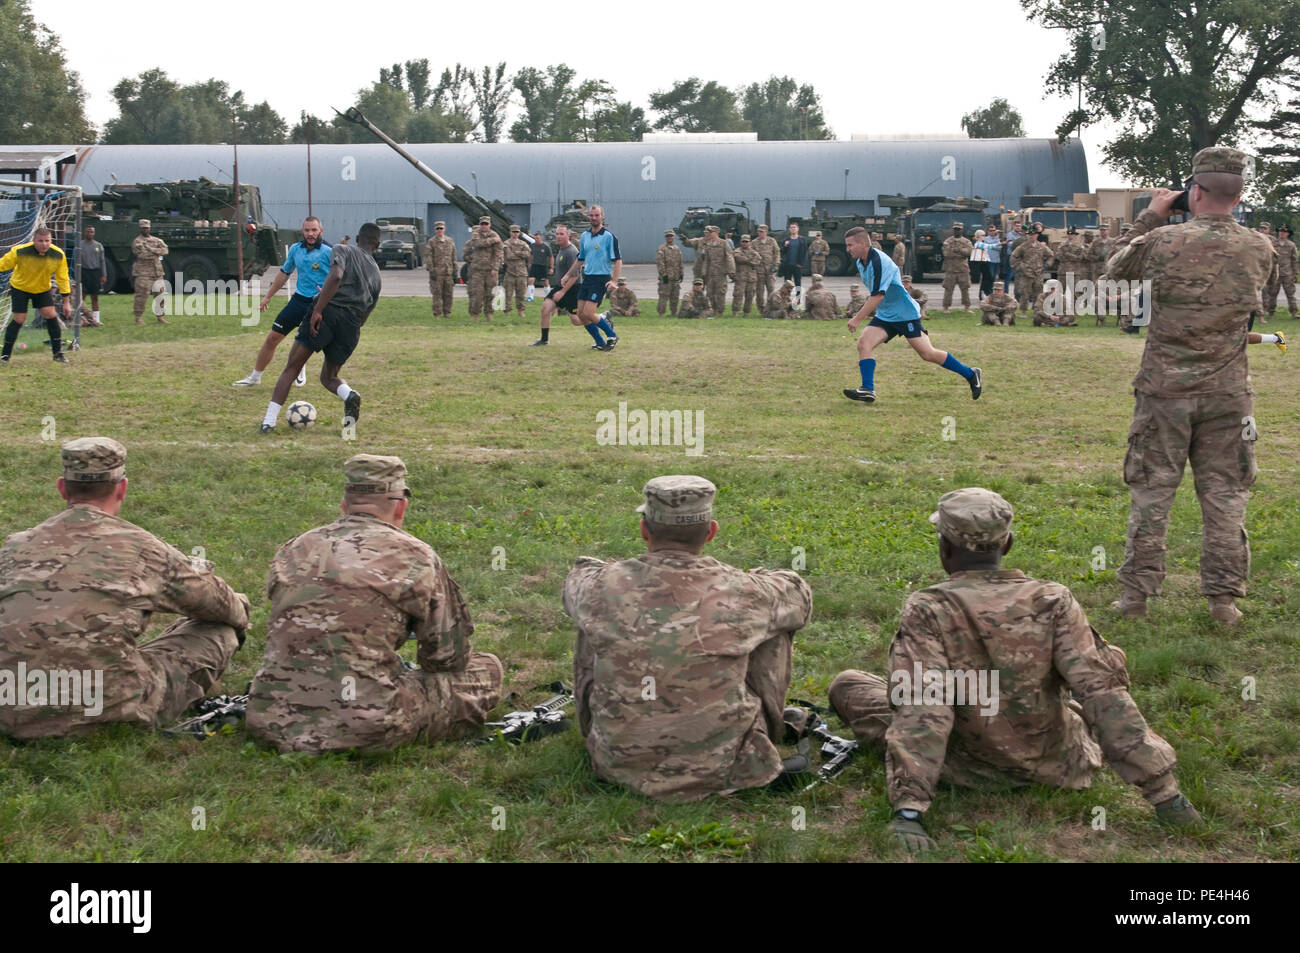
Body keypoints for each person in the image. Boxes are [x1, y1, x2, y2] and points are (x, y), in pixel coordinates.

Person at [828, 487, 1202, 853]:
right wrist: (1165, 793)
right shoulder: (1052, 598)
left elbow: (924, 706)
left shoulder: (929, 607)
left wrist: (908, 810)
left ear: (944, 547)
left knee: (850, 685)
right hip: (1058, 764)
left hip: (966, 768)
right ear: (1006, 544)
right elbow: (1103, 692)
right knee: (1079, 702)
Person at [1106, 147, 1277, 626]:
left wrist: (1151, 216)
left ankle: (1136, 598)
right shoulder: (1261, 247)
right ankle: (1224, 601)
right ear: (1239, 195)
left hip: (1165, 389)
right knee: (1226, 494)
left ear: (1194, 191)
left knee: (1153, 492)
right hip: (1229, 391)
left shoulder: (1163, 239)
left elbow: (1115, 268)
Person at [563, 475, 812, 802]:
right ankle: (766, 726)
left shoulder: (601, 586)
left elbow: (578, 577)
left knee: (590, 615)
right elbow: (799, 598)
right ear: (711, 532)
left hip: (616, 762)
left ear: (644, 530)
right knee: (775, 622)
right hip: (725, 767)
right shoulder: (746, 592)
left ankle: (607, 727)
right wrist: (757, 579)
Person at [247, 454, 502, 752]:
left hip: (270, 719)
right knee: (487, 670)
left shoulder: (293, 548)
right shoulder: (417, 556)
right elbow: (446, 658)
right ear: (401, 506)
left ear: (345, 504)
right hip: (368, 726)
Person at [0, 437, 250, 739]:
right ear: (122, 488)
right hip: (109, 707)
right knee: (218, 631)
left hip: (12, 705)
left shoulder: (14, 546)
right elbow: (222, 606)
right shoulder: (142, 547)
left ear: (62, 488)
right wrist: (242, 608)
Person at [259, 223, 380, 433]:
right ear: (377, 245)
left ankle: (268, 422)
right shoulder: (377, 275)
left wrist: (317, 310)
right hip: (351, 325)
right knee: (329, 377)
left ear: (358, 238)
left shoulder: (344, 249)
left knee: (292, 367)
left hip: (328, 312)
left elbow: (336, 276)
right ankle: (349, 400)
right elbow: (366, 313)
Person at [842, 227, 981, 403]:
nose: (848, 249)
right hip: (886, 314)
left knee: (928, 354)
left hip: (904, 314)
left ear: (862, 244)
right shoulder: (861, 262)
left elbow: (878, 295)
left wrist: (857, 318)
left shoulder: (879, 262)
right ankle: (868, 389)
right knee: (864, 344)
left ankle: (971, 374)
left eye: (850, 245)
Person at [233, 217, 330, 388]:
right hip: (299, 300)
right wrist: (267, 297)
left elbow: (340, 276)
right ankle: (255, 377)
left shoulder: (329, 251)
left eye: (314, 230)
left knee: (305, 341)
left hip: (319, 304)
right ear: (302, 231)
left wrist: (329, 292)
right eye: (307, 230)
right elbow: (284, 273)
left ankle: (301, 368)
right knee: (272, 338)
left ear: (320, 231)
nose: (310, 234)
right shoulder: (295, 249)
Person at [0, 226, 73, 364]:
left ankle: (57, 354)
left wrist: (66, 302)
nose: (44, 244)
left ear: (51, 240)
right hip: (20, 288)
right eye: (40, 241)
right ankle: (5, 356)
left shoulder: (58, 255)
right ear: (33, 240)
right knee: (19, 319)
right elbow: (3, 264)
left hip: (42, 289)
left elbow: (63, 278)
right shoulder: (19, 251)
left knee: (51, 315)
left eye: (47, 240)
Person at [553, 205, 620, 351]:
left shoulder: (608, 237)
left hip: (601, 279)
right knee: (581, 315)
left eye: (597, 215)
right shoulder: (585, 236)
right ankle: (600, 342)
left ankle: (612, 335)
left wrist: (614, 281)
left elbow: (618, 260)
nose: (594, 218)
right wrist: (568, 275)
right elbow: (580, 258)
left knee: (589, 312)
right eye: (591, 215)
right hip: (587, 278)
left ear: (602, 216)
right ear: (588, 217)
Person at [531, 223, 581, 346]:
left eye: (561, 234)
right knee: (545, 309)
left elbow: (575, 276)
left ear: (568, 235)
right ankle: (544, 340)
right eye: (557, 234)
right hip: (560, 286)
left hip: (572, 288)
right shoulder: (561, 249)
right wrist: (559, 289)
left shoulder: (571, 251)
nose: (558, 236)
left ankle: (601, 318)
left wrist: (562, 292)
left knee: (576, 320)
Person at [462, 216, 503, 321]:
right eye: (482, 224)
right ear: (480, 225)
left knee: (490, 293)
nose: (484, 226)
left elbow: (498, 254)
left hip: (490, 270)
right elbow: (477, 243)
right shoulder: (476, 234)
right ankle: (475, 314)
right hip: (477, 270)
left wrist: (495, 268)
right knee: (477, 293)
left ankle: (489, 313)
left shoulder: (495, 234)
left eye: (486, 224)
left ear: (489, 225)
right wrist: (492, 240)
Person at [130, 219, 169, 325]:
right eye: (143, 228)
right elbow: (142, 255)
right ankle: (138, 318)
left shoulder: (156, 240)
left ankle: (160, 317)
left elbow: (165, 251)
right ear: (140, 228)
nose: (145, 229)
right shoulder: (137, 241)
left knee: (160, 295)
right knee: (141, 296)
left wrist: (151, 249)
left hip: (157, 272)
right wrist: (157, 252)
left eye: (147, 227)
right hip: (143, 273)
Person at [697, 224, 735, 314]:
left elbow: (729, 257)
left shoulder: (723, 243)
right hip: (710, 273)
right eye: (708, 232)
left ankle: (719, 311)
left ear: (716, 233)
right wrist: (704, 271)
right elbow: (706, 259)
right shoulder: (707, 244)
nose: (709, 234)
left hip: (720, 273)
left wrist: (731, 271)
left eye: (711, 232)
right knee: (710, 293)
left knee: (720, 293)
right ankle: (711, 310)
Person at [426, 221, 458, 318]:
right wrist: (431, 270)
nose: (439, 230)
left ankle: (447, 313)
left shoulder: (450, 241)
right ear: (435, 230)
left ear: (444, 229)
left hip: (448, 272)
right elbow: (428, 257)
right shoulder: (432, 242)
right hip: (437, 273)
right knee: (437, 294)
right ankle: (437, 314)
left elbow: (453, 257)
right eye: (438, 228)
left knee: (448, 294)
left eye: (441, 228)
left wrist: (455, 271)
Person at [76, 226, 106, 327]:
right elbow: (76, 261)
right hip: (84, 273)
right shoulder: (80, 245)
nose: (90, 233)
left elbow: (102, 261)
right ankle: (83, 320)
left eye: (92, 232)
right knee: (82, 297)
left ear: (94, 233)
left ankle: (96, 320)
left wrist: (103, 274)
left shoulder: (98, 245)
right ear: (85, 233)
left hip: (95, 273)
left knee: (95, 298)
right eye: (88, 231)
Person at [941, 223, 974, 310]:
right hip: (950, 269)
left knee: (965, 289)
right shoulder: (948, 241)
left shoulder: (966, 241)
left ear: (961, 230)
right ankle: (946, 307)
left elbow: (969, 252)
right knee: (948, 289)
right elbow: (946, 253)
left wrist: (959, 250)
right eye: (955, 229)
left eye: (958, 229)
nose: (957, 231)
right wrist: (960, 253)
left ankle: (967, 307)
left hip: (963, 269)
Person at [502, 224, 531, 316]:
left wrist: (516, 252)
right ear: (510, 232)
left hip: (522, 272)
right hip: (510, 272)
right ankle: (507, 312)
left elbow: (528, 254)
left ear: (519, 233)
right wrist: (520, 254)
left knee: (521, 294)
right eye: (513, 232)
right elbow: (509, 255)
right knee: (508, 294)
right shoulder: (506, 243)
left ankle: (521, 311)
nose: (515, 234)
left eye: (517, 232)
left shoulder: (523, 243)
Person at [731, 234, 761, 315]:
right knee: (738, 295)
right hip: (740, 277)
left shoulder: (754, 252)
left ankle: (746, 312)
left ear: (750, 242)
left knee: (750, 296)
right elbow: (738, 258)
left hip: (751, 278)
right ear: (741, 242)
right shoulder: (737, 251)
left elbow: (757, 261)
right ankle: (735, 311)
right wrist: (749, 260)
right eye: (743, 241)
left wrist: (746, 260)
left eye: (746, 241)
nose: (744, 243)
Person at [656, 229, 683, 316]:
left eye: (671, 236)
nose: (669, 238)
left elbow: (680, 262)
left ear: (673, 237)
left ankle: (674, 313)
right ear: (665, 238)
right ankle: (661, 313)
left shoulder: (677, 248)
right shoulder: (662, 249)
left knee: (675, 296)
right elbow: (660, 263)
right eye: (668, 236)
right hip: (666, 277)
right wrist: (663, 275)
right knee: (663, 296)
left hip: (675, 277)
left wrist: (681, 273)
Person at [753, 224, 780, 309]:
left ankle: (770, 307)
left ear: (766, 232)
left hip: (770, 270)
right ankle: (761, 308)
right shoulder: (754, 242)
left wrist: (776, 264)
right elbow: (751, 254)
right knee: (759, 291)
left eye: (762, 232)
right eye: (759, 231)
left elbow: (777, 253)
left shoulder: (772, 241)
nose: (760, 233)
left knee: (771, 289)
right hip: (759, 270)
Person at [780, 222, 808, 302]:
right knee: (787, 283)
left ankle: (798, 299)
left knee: (798, 283)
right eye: (791, 227)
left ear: (798, 229)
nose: (793, 229)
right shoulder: (786, 240)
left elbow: (804, 253)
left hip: (797, 265)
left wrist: (801, 264)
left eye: (794, 227)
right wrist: (785, 246)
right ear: (789, 229)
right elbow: (782, 251)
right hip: (788, 265)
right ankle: (786, 298)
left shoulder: (802, 240)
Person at [1273, 224, 1297, 319]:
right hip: (1275, 273)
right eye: (1280, 231)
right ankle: (1271, 312)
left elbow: (1294, 260)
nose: (1282, 233)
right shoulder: (1273, 244)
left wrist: (1295, 273)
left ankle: (1294, 312)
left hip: (1287, 273)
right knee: (1272, 294)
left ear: (1288, 234)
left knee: (1290, 294)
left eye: (1284, 232)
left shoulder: (1291, 245)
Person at [526, 230, 551, 302]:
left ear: (541, 238)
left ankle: (548, 297)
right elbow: (531, 255)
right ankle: (531, 297)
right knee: (530, 280)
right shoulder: (532, 246)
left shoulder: (546, 247)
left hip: (543, 266)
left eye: (538, 238)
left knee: (545, 282)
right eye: (535, 238)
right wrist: (529, 263)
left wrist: (551, 267)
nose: (536, 239)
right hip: (534, 265)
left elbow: (550, 257)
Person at [967, 228, 988, 298]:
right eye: (983, 235)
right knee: (975, 279)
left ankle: (982, 293)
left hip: (982, 262)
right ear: (979, 236)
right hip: (975, 263)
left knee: (986, 278)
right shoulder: (975, 243)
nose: (984, 236)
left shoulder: (983, 243)